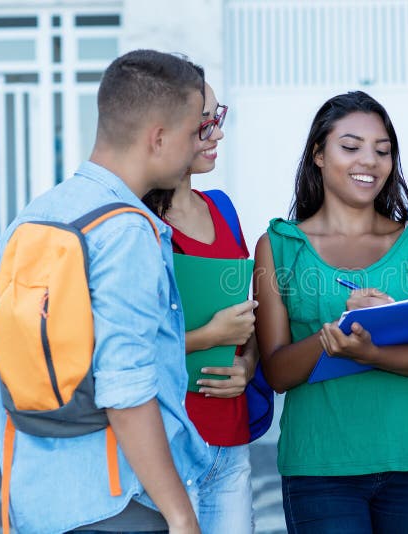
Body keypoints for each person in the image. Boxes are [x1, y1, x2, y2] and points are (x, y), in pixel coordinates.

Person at [0, 50, 211, 532]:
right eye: (194, 131)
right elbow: (127, 392)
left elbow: (11, 369)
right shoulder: (126, 231)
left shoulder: (35, 215)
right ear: (158, 137)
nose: (198, 144)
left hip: (38, 496)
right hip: (117, 501)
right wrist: (180, 516)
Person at [253, 91, 408, 533]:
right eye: (350, 147)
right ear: (318, 155)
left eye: (382, 151)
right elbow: (276, 372)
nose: (369, 161)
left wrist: (370, 351)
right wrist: (337, 333)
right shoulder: (279, 246)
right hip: (319, 468)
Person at [143, 74, 257, 534]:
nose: (218, 133)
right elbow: (123, 346)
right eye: (204, 123)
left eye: (217, 117)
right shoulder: (137, 224)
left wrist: (247, 366)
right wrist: (209, 337)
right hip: (168, 442)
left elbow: (248, 316)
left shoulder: (223, 208)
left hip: (230, 439)